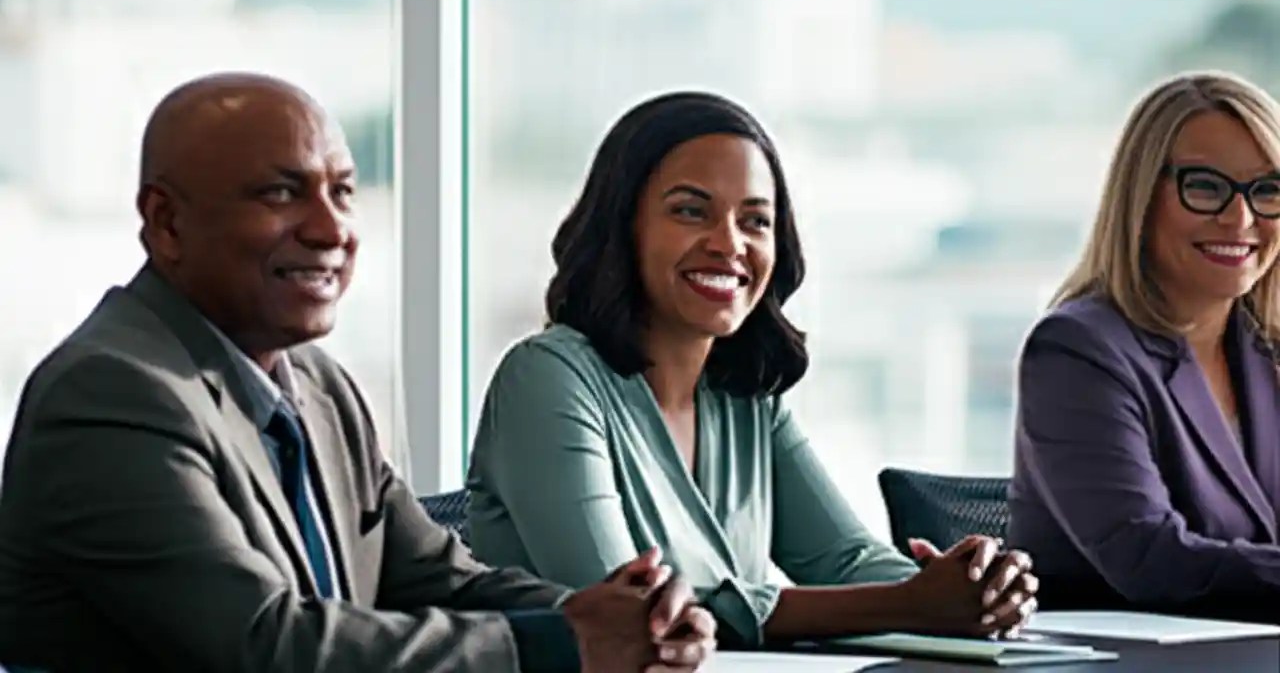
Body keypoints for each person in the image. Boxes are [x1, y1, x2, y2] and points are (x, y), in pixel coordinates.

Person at [0, 72, 716, 672]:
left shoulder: (317, 385)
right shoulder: (112, 394)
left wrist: (624, 616)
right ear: (166, 223)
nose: (330, 229)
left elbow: (432, 578)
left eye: (342, 192)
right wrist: (564, 644)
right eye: (281, 193)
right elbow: (267, 645)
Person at [465, 91, 1039, 647]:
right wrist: (909, 605)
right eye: (691, 211)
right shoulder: (545, 379)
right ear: (622, 227)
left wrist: (969, 588)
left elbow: (843, 560)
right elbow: (634, 614)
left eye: (755, 221)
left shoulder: (745, 396)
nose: (729, 243)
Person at [1009, 71, 1280, 621]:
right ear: (1140, 195)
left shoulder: (1265, 346)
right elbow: (1151, 560)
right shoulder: (1078, 352)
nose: (1241, 218)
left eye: (1268, 190)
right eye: (1205, 186)